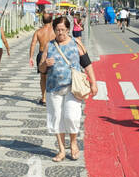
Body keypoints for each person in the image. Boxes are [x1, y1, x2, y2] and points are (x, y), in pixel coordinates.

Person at [40, 16, 98, 161]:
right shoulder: (49, 45)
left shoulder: (76, 44)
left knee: (71, 117)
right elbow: (41, 69)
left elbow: (87, 65)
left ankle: (73, 143)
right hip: (53, 89)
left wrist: (93, 83)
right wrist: (45, 64)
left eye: (63, 30)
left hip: (72, 88)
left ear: (68, 29)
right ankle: (61, 150)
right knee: (56, 119)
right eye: (57, 30)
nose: (60, 33)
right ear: (54, 30)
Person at [28, 11, 55, 104]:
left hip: (41, 54)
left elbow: (33, 44)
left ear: (43, 21)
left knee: (42, 77)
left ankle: (43, 97)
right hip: (52, 55)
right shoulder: (55, 31)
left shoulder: (38, 32)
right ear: (51, 20)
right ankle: (51, 97)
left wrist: (31, 57)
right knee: (52, 77)